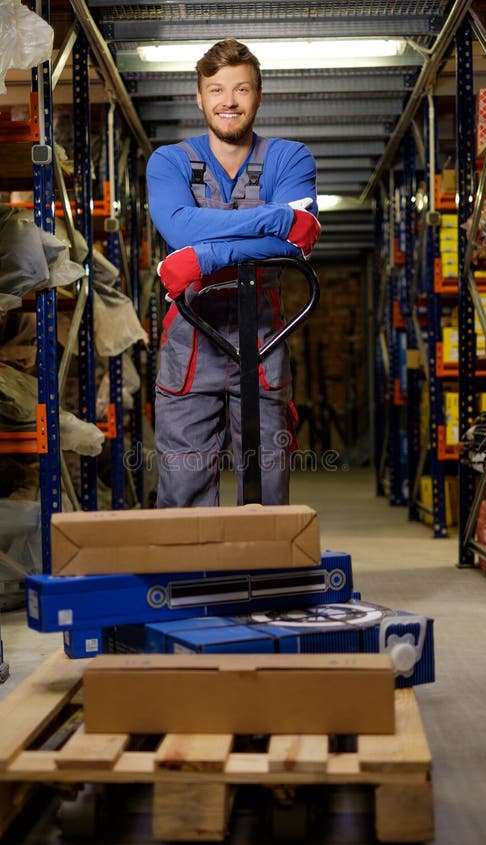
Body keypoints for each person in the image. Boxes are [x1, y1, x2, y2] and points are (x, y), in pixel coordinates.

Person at [146, 38, 320, 508]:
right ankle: (191, 584)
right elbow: (179, 227)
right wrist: (277, 219)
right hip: (191, 345)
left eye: (241, 89)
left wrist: (200, 257)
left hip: (263, 342)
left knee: (267, 496)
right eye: (216, 90)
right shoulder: (169, 161)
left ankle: (262, 582)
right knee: (182, 495)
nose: (228, 102)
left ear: (258, 95)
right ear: (199, 97)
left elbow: (295, 247)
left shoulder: (291, 157)